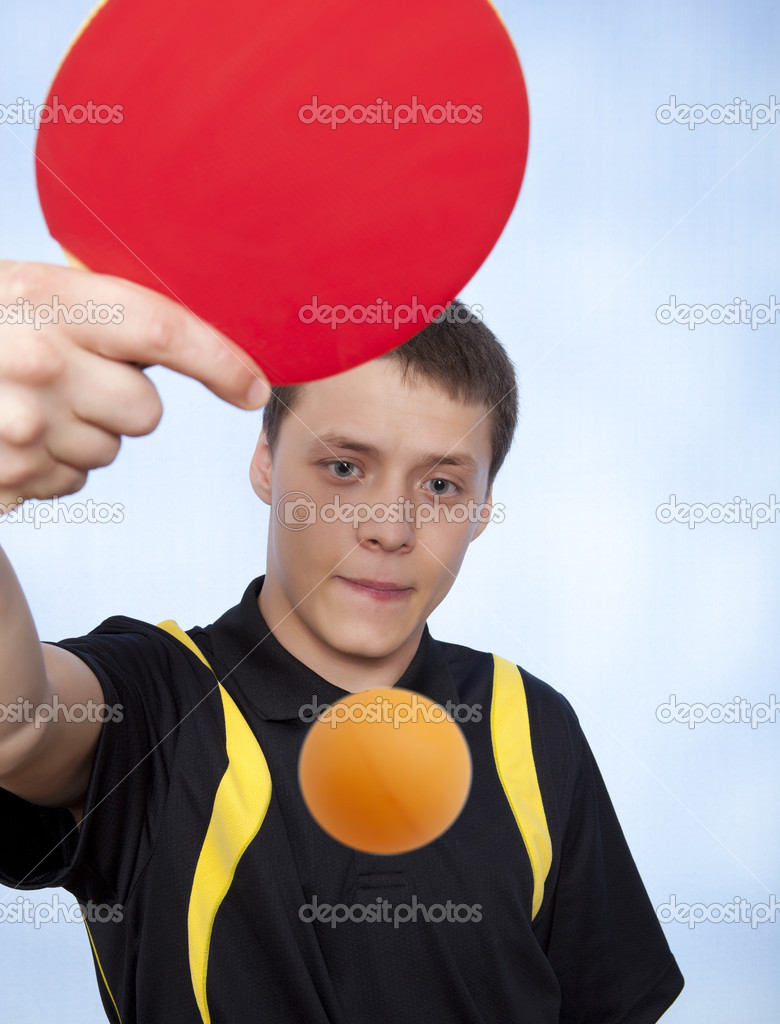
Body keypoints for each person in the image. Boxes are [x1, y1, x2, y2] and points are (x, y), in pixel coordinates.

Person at [0, 260, 684, 1023]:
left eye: (441, 485)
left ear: (485, 508)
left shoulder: (533, 725)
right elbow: (19, 724)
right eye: (344, 466)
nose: (391, 528)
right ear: (266, 463)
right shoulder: (158, 703)